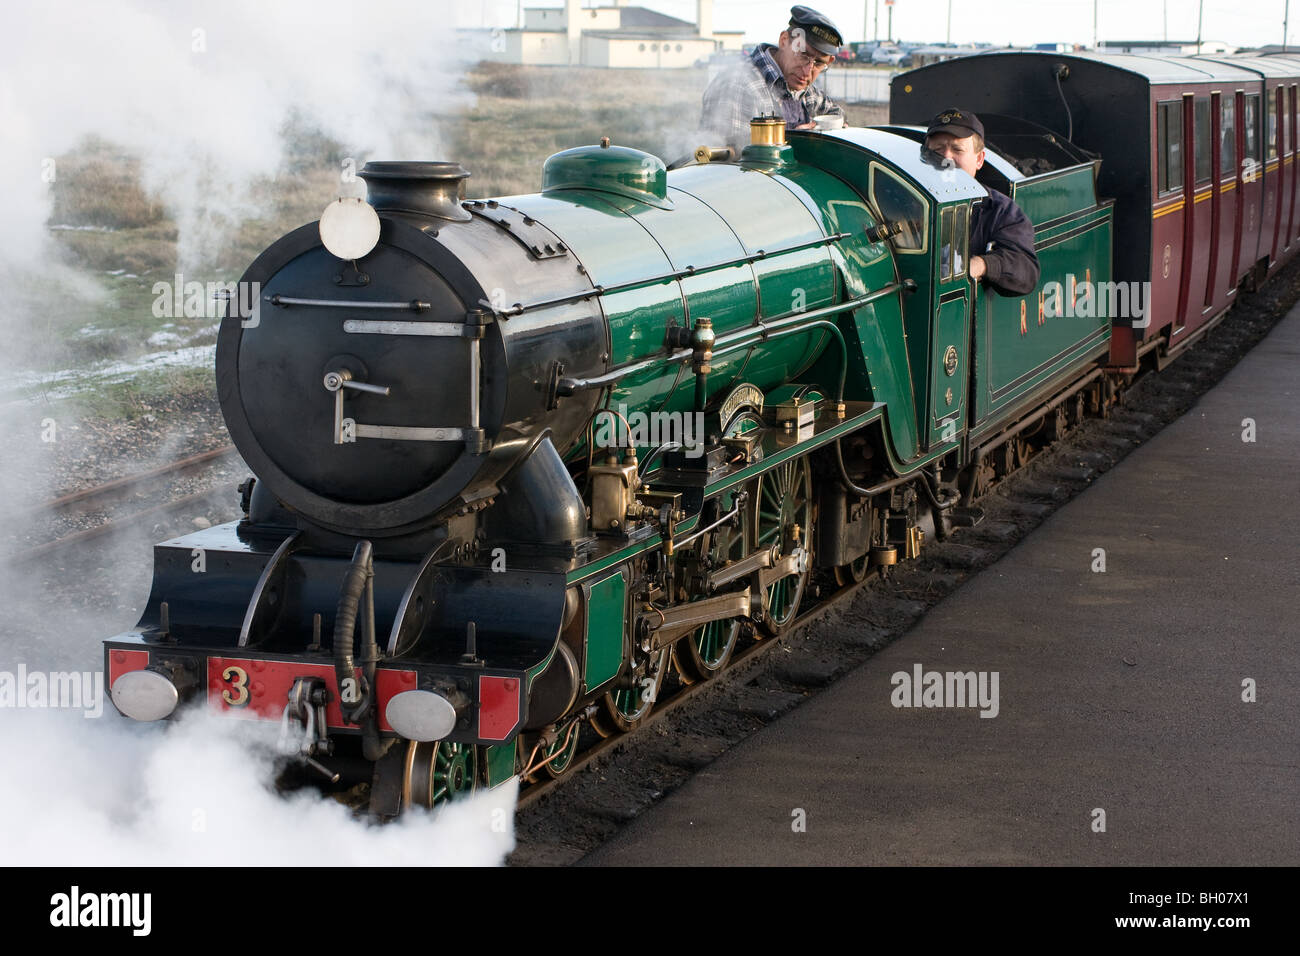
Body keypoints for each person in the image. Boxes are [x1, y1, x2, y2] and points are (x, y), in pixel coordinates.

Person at [924, 108, 1040, 297]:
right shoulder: (908, 203)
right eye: (938, 149)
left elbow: (1026, 271)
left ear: (979, 159)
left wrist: (982, 265)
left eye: (957, 149)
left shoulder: (1002, 211)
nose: (946, 157)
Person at [700, 5, 846, 151]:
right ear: (783, 41)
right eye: (803, 55)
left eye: (819, 63)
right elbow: (725, 162)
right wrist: (795, 140)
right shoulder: (737, 86)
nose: (808, 71)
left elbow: (837, 115)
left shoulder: (804, 90)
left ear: (829, 61)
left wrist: (822, 129)